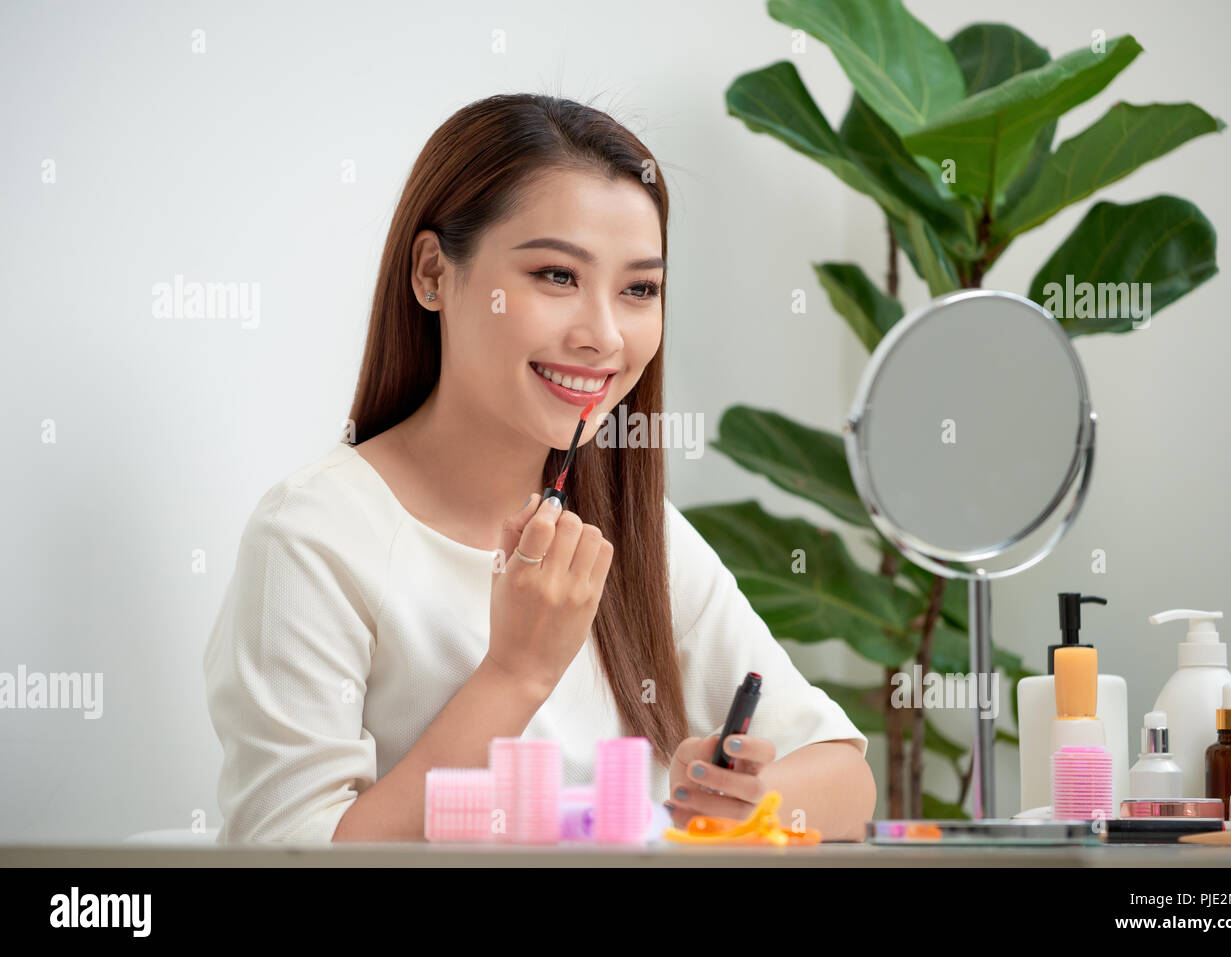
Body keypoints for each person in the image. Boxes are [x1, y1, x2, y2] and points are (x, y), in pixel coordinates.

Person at [202, 93, 875, 844]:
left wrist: (735, 800)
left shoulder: (634, 531)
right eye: (557, 276)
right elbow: (289, 855)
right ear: (432, 272)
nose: (604, 335)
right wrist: (515, 673)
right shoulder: (313, 536)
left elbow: (846, 778)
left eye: (640, 289)